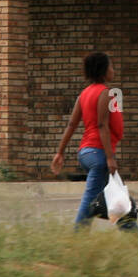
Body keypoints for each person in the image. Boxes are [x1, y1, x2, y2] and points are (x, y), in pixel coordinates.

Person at [52, 51, 125, 229]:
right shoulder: (105, 93)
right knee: (90, 201)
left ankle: (135, 237)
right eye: (111, 66)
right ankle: (76, 240)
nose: (113, 70)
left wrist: (60, 152)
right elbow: (102, 125)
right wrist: (109, 157)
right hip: (98, 155)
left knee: (118, 201)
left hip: (86, 153)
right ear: (103, 70)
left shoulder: (84, 94)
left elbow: (71, 125)